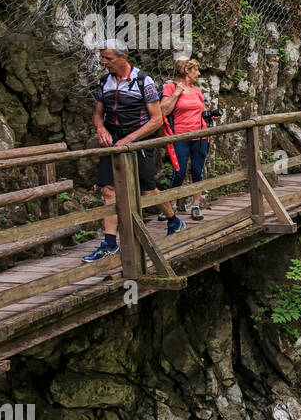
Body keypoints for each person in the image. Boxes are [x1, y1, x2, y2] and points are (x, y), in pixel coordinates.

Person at [83, 39, 182, 262]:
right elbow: (98, 112)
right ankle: (110, 244)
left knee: (147, 190)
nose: (104, 62)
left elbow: (156, 119)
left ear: (123, 58)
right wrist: (100, 128)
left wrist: (130, 139)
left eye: (108, 58)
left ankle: (173, 219)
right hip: (113, 142)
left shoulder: (142, 81)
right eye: (103, 57)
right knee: (108, 190)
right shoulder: (103, 83)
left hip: (138, 140)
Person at [160, 58, 209, 221]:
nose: (199, 73)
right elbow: (164, 111)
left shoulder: (196, 90)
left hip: (200, 135)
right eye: (196, 70)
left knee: (197, 171)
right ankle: (171, 206)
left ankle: (196, 205)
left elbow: (203, 110)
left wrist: (211, 115)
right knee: (178, 171)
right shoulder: (170, 87)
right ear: (187, 71)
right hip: (180, 135)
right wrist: (176, 93)